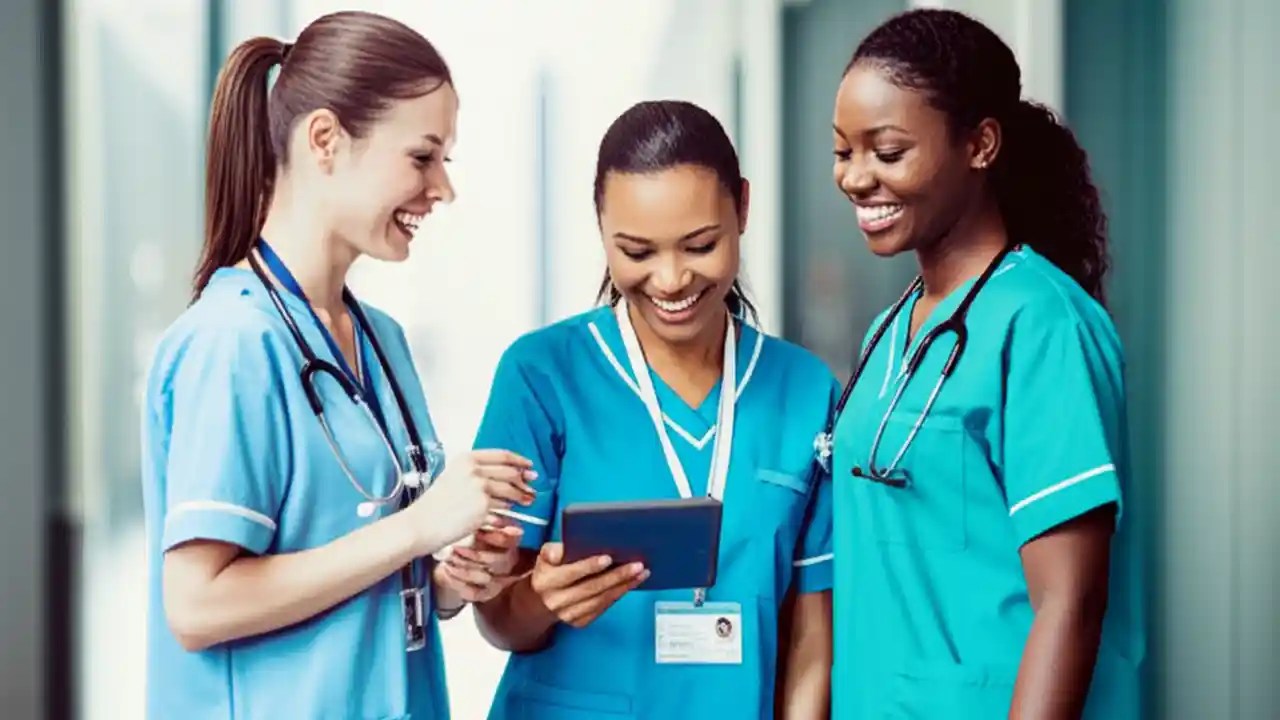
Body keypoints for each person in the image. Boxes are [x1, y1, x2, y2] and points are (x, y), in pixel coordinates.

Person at [139, 11, 533, 719]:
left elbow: (374, 573)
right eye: (423, 157)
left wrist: (451, 572)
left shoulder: (379, 339)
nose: (443, 189)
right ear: (325, 139)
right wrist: (418, 528)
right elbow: (197, 604)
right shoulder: (233, 344)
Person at [444, 100, 835, 719]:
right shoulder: (543, 375)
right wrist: (542, 599)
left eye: (700, 245)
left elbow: (813, 634)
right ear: (601, 227)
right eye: (637, 251)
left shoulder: (804, 390)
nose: (672, 279)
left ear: (744, 208)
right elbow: (498, 620)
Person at [822, 8, 1145, 719]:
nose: (855, 177)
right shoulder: (889, 331)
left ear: (981, 144)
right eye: (844, 150)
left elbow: (1074, 599)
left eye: (888, 150)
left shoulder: (1041, 323)